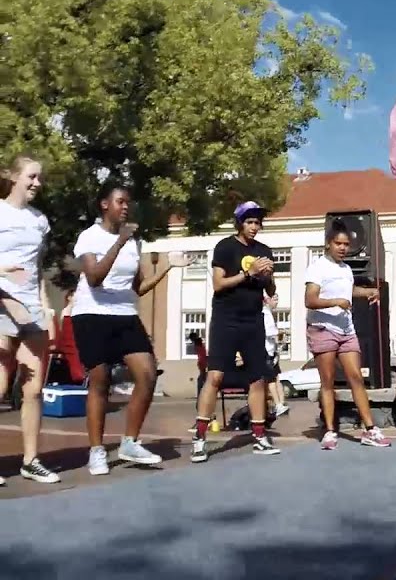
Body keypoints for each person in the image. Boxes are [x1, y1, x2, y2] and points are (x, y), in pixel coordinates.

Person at [72, 185, 187, 475]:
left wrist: (168, 268)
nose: (125, 207)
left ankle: (129, 442)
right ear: (104, 205)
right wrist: (120, 242)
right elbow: (95, 278)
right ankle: (97, 451)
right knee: (101, 380)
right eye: (120, 202)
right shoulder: (90, 237)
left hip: (124, 315)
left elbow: (138, 288)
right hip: (92, 314)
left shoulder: (134, 244)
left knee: (147, 374)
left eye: (128, 202)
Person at [191, 201, 281, 462]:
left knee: (258, 379)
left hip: (253, 320)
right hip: (226, 320)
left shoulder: (264, 250)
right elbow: (218, 285)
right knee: (215, 376)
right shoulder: (225, 247)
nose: (254, 227)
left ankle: (259, 435)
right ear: (240, 223)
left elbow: (271, 292)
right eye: (250, 222)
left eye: (257, 222)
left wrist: (268, 276)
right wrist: (247, 273)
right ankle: (199, 437)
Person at [0, 153, 60, 483]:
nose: (37, 183)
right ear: (14, 177)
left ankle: (31, 460)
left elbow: (37, 271)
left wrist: (45, 307)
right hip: (0, 304)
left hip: (31, 310)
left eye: (40, 178)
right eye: (32, 177)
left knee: (34, 389)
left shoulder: (39, 220)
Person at [305, 220, 389, 450]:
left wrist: (367, 292)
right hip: (323, 328)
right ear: (328, 244)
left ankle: (370, 429)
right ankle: (330, 431)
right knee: (328, 382)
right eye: (338, 243)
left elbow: (347, 291)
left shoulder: (346, 269)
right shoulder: (317, 267)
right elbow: (310, 300)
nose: (342, 248)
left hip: (346, 329)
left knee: (356, 377)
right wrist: (335, 302)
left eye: (346, 244)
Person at [262, 293, 289, 418]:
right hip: (266, 351)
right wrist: (278, 334)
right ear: (267, 300)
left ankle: (281, 403)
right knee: (270, 379)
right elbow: (268, 332)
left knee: (276, 378)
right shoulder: (265, 314)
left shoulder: (269, 313)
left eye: (278, 299)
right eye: (275, 299)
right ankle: (278, 405)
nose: (277, 302)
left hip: (272, 352)